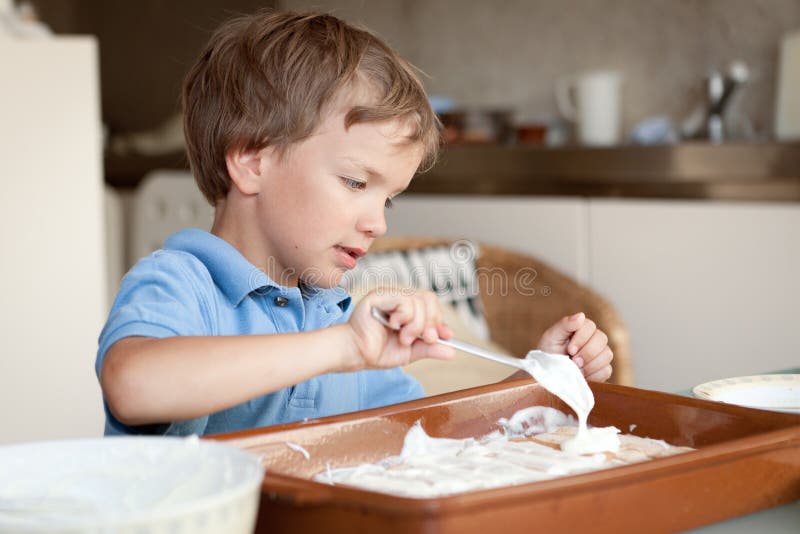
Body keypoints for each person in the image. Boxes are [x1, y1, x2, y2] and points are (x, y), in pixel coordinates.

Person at [96, 9, 614, 437]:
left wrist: (540, 383)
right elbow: (133, 384)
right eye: (355, 182)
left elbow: (434, 438)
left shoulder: (338, 315)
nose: (376, 224)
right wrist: (341, 348)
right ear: (253, 161)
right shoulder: (181, 283)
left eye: (388, 200)